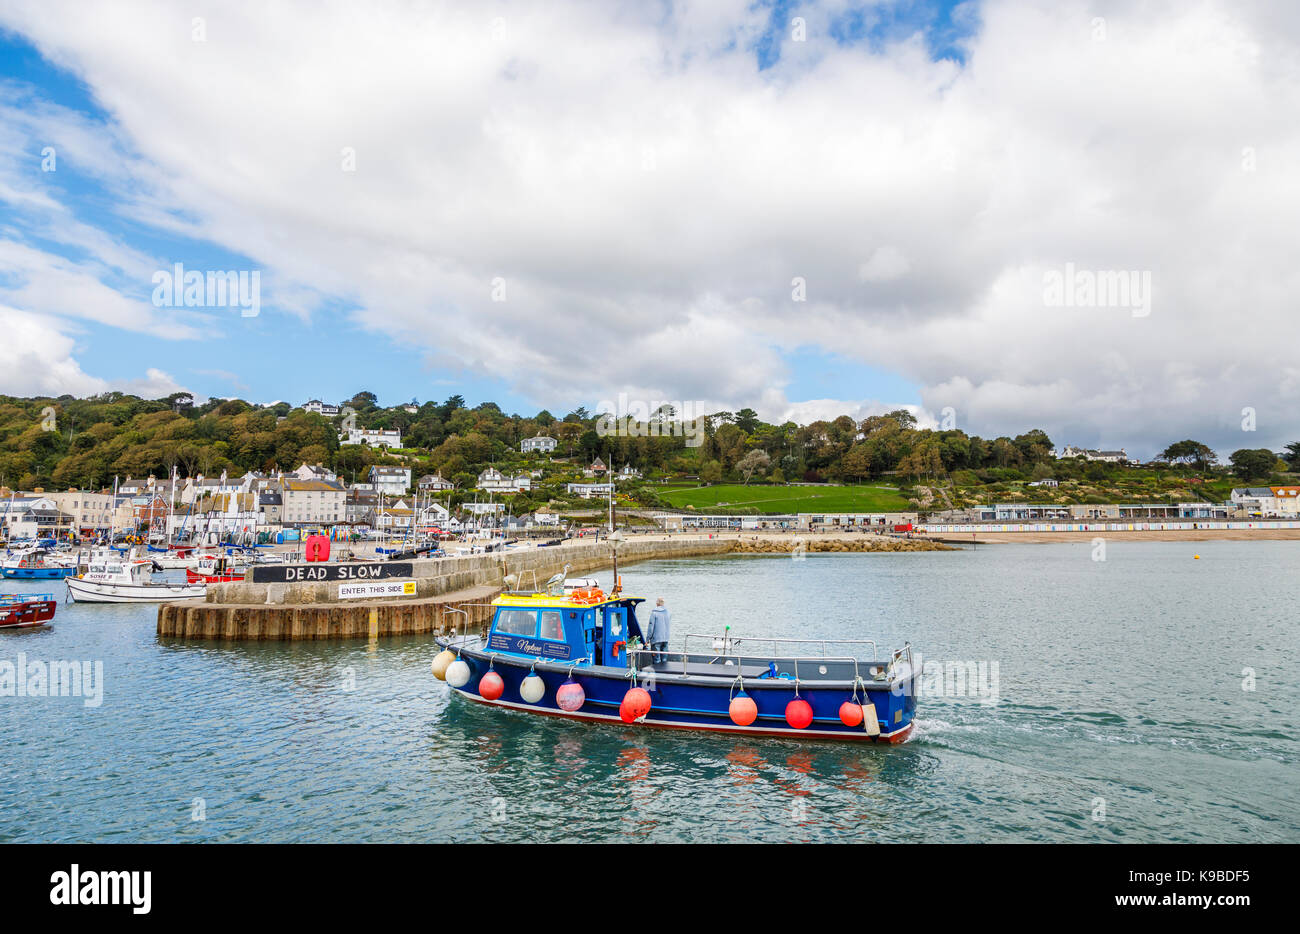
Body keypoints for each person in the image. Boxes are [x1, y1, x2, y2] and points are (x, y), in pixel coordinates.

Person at [646, 597, 671, 664]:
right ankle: (664, 673)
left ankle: (657, 673)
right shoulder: (668, 612)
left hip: (656, 640)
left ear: (657, 603)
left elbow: (651, 628)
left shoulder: (654, 613)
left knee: (656, 660)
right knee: (664, 660)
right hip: (665, 639)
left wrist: (647, 639)